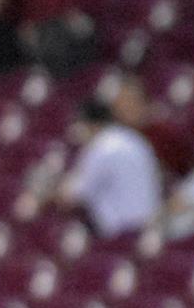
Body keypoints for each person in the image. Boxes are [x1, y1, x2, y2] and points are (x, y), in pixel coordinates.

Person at [57, 97, 161, 239]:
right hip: (148, 229)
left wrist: (52, 191)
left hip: (120, 233)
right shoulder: (134, 138)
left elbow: (74, 195)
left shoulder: (102, 145)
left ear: (92, 125)